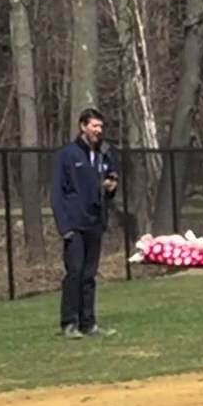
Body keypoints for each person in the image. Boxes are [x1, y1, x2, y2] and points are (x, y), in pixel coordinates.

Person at [51, 107, 119, 338]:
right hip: (74, 224)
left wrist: (111, 188)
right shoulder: (68, 155)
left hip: (94, 223)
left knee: (89, 275)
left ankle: (88, 323)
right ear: (82, 126)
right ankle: (69, 323)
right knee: (75, 273)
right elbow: (57, 193)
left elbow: (107, 183)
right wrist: (64, 226)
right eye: (94, 126)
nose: (98, 131)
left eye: (101, 126)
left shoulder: (103, 155)